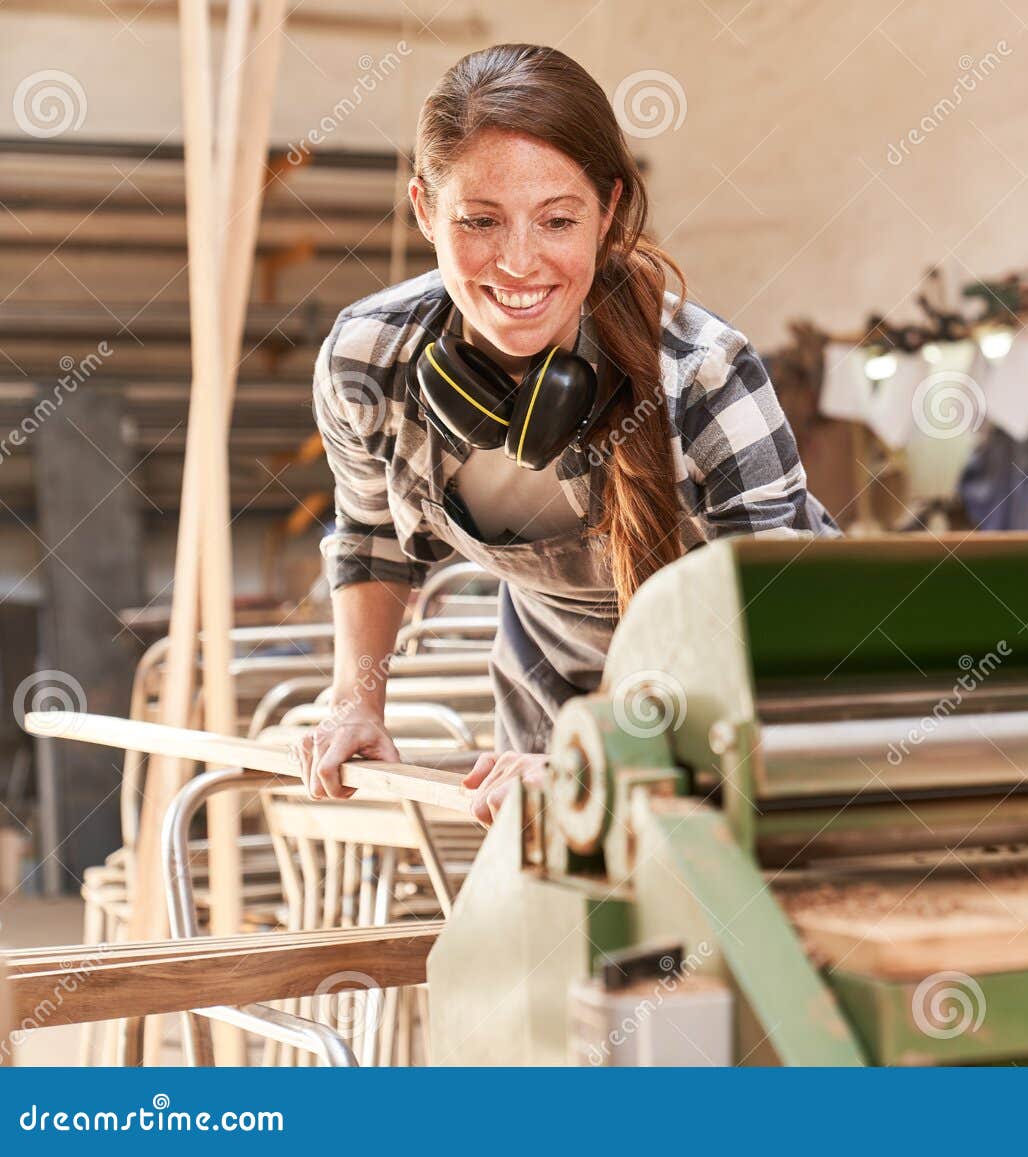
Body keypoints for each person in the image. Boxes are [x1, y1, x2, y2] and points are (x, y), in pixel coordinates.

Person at [294, 44, 836, 824]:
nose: (518, 263)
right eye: (479, 220)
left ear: (608, 211)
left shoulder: (706, 379)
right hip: (547, 679)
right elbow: (372, 535)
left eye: (557, 220)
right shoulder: (367, 363)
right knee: (565, 933)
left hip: (745, 691)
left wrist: (606, 752)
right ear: (423, 208)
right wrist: (354, 701)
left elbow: (774, 618)